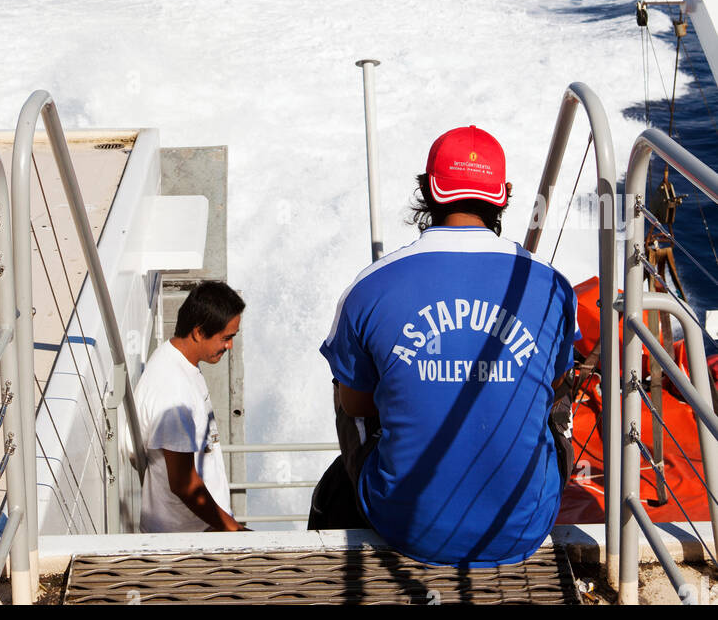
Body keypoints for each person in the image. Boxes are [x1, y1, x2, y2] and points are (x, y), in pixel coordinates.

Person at [310, 125, 578, 568]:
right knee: (556, 385)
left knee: (346, 383)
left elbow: (356, 405)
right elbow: (552, 383)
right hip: (526, 526)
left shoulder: (369, 286)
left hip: (407, 527)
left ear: (424, 189)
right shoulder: (553, 286)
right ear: (505, 195)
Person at [135, 280, 246, 533]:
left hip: (203, 527)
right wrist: (234, 531)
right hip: (185, 538)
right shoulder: (172, 392)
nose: (229, 346)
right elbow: (183, 484)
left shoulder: (178, 361)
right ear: (198, 332)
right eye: (226, 338)